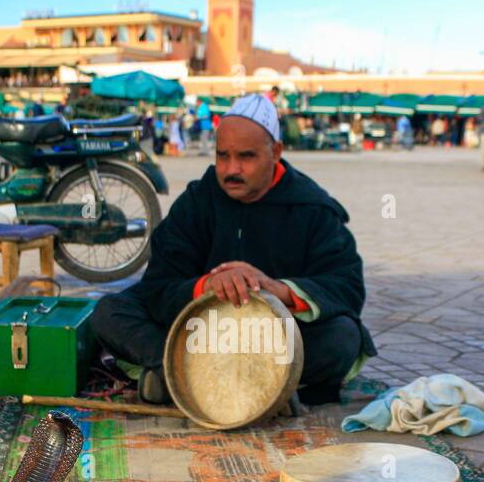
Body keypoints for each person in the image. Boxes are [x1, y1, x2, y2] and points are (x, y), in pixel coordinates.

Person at [89, 93, 377, 407]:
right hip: (202, 334)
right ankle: (238, 384)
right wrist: (205, 287)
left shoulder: (312, 209)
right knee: (109, 312)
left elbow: (346, 288)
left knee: (343, 337)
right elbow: (159, 286)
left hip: (271, 342)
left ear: (275, 152)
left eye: (246, 157)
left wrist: (276, 290)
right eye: (222, 155)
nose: (231, 169)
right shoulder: (197, 203)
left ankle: (186, 378)